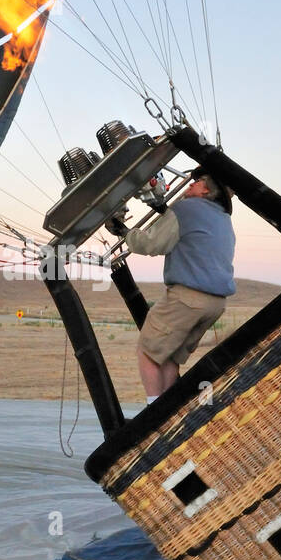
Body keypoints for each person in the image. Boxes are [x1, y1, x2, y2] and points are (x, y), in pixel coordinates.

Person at [108, 167, 236, 402]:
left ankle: (153, 415)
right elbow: (190, 236)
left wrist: (125, 233)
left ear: (206, 190)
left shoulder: (187, 209)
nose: (189, 186)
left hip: (187, 299)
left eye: (195, 184)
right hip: (215, 304)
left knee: (147, 353)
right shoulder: (223, 219)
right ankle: (167, 411)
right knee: (169, 358)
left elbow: (150, 244)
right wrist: (165, 212)